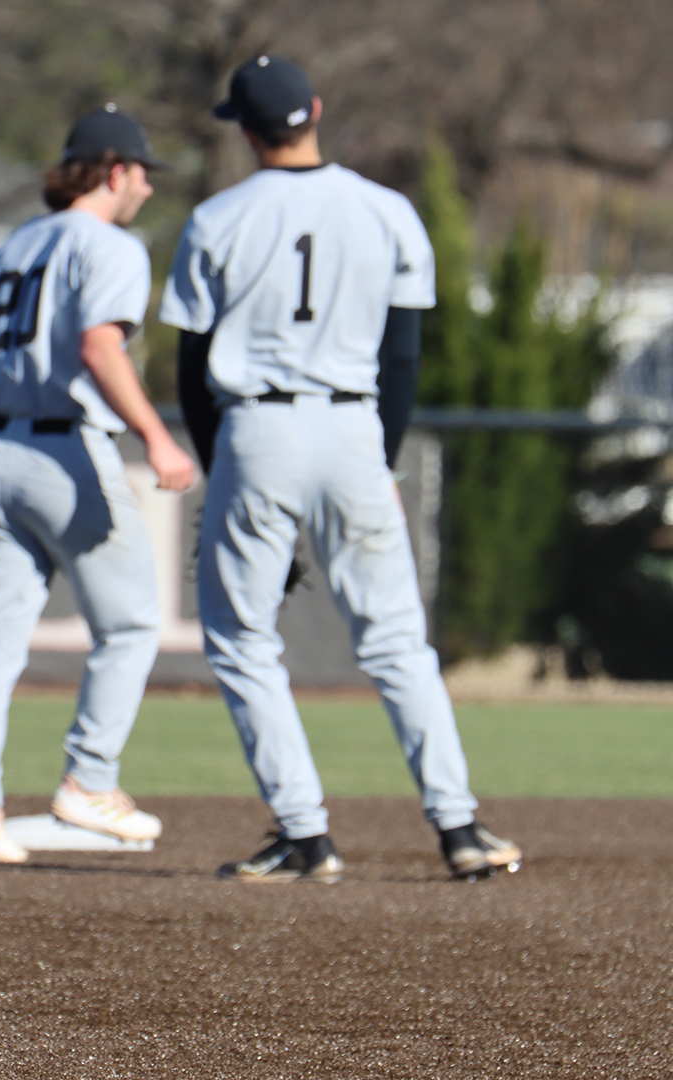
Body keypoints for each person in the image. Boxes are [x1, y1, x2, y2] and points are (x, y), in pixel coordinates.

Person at [161, 55, 522, 883]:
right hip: (355, 426)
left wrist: (227, 475)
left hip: (257, 429)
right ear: (315, 110)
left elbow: (191, 365)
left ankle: (304, 832)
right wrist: (379, 462)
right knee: (397, 640)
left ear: (246, 131)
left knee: (243, 638)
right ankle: (459, 826)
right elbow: (402, 355)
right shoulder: (389, 210)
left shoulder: (218, 216)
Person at [0, 107, 197, 864]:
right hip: (67, 449)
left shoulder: (11, 246)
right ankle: (89, 779)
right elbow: (98, 344)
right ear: (116, 170)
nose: (148, 189)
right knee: (130, 624)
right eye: (144, 173)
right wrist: (154, 434)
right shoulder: (109, 244)